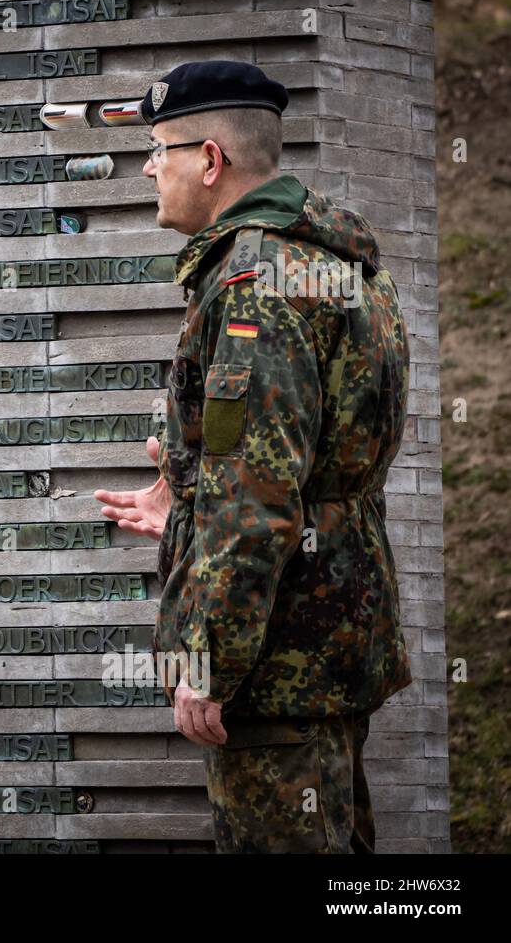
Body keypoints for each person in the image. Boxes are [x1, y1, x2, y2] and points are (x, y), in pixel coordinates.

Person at [93, 62, 412, 853]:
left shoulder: (255, 284)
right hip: (335, 639)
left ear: (210, 159)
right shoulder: (333, 264)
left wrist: (211, 654)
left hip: (279, 662)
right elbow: (321, 461)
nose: (146, 167)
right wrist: (187, 493)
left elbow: (260, 495)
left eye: (158, 148)